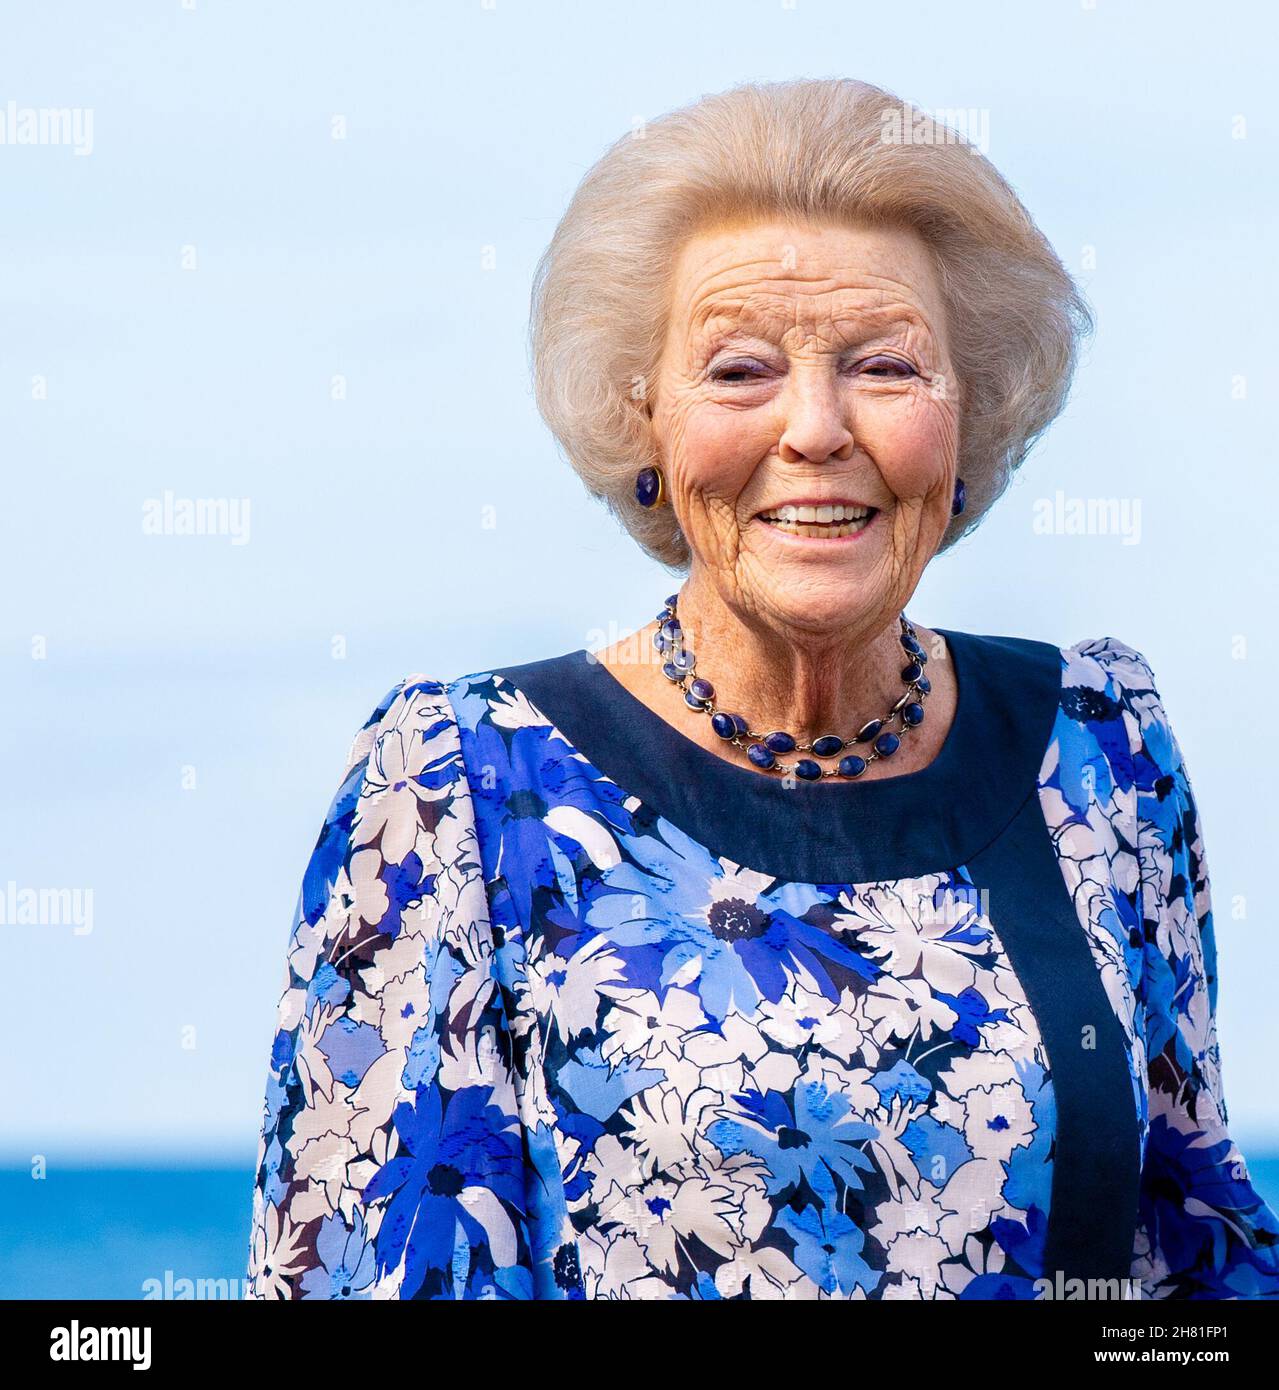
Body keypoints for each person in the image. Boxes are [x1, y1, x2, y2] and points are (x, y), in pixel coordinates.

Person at [245, 77, 1279, 1300]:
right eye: (739, 371)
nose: (815, 428)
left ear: (972, 418)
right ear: (648, 425)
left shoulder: (1098, 739)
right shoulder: (458, 780)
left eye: (886, 366)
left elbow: (1192, 1249)